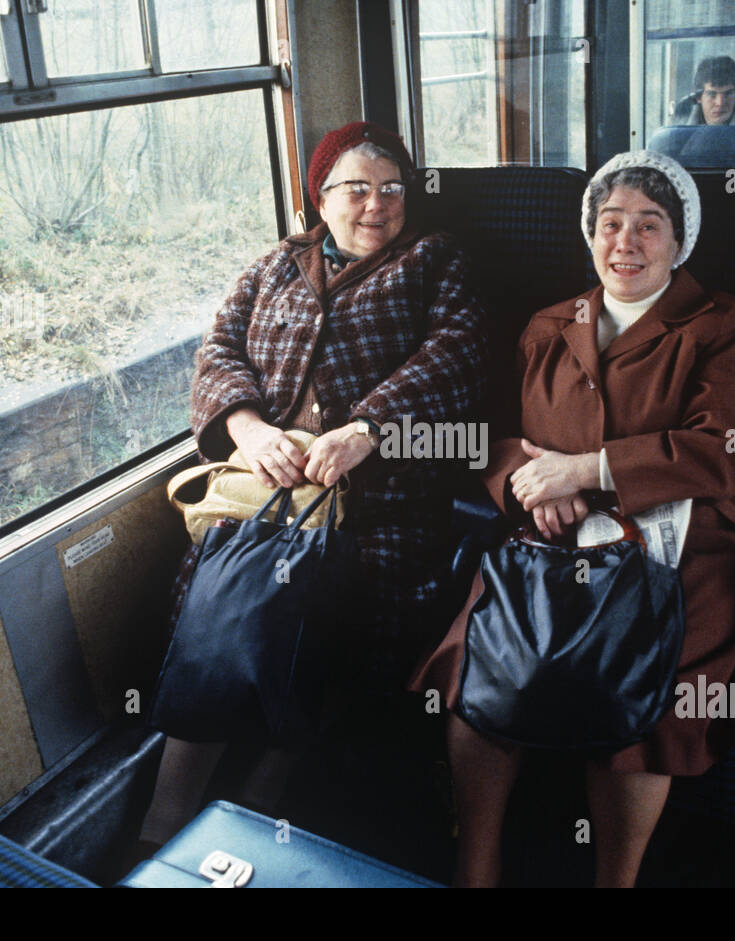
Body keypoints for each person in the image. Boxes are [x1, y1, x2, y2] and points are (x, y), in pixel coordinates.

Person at [410, 150, 735, 887]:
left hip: (683, 554)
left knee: (642, 688)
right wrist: (530, 481)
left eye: (649, 226)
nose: (626, 244)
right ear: (590, 234)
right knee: (484, 666)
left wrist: (586, 469)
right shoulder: (549, 325)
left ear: (679, 242)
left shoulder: (722, 325)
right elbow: (493, 437)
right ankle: (474, 866)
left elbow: (723, 453)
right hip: (551, 541)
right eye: (610, 225)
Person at [137, 121, 488, 850]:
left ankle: (264, 792)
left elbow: (458, 353)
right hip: (266, 490)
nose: (376, 205)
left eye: (392, 189)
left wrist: (367, 429)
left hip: (380, 499)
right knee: (228, 586)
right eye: (356, 189)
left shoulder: (434, 261)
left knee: (324, 595)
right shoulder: (272, 266)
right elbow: (219, 351)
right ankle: (167, 817)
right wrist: (249, 431)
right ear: (319, 197)